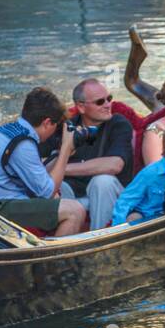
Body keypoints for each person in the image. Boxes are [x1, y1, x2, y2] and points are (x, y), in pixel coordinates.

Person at [0, 87, 87, 237]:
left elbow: (40, 179)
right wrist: (66, 149)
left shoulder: (8, 131)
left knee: (59, 201)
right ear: (47, 123)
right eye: (56, 125)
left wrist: (60, 153)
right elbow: (47, 191)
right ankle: (53, 260)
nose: (56, 131)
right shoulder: (23, 145)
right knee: (75, 211)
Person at [43, 76, 133, 229]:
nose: (108, 105)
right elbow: (40, 162)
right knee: (57, 185)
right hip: (75, 196)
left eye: (109, 99)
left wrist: (62, 169)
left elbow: (114, 165)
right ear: (81, 107)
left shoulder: (118, 124)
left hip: (113, 195)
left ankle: (102, 244)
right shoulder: (66, 127)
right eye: (100, 101)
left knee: (102, 181)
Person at [112, 124, 165, 226]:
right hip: (147, 217)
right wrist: (118, 228)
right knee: (133, 217)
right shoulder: (151, 172)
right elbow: (126, 200)